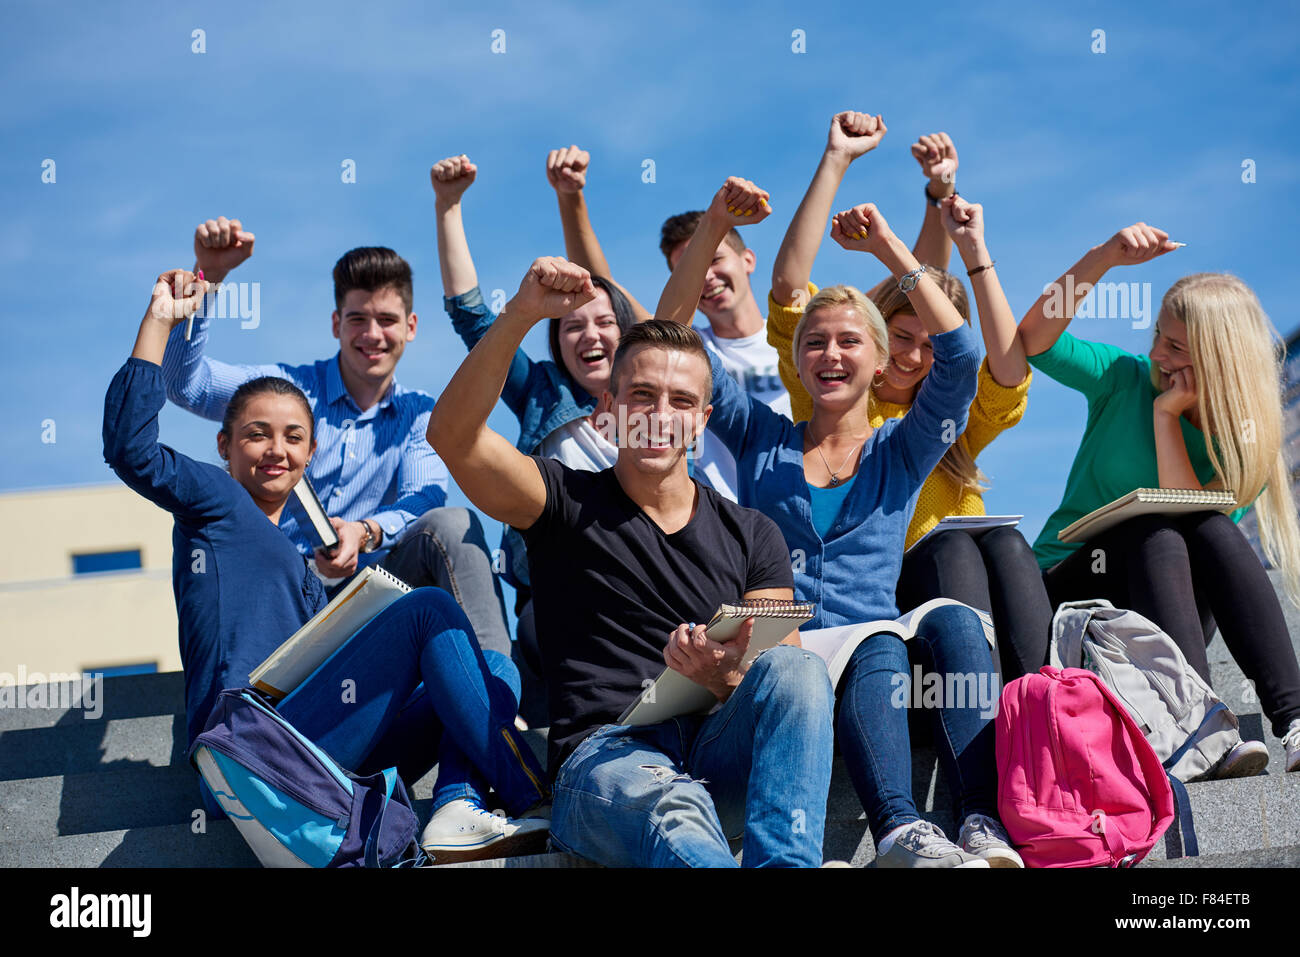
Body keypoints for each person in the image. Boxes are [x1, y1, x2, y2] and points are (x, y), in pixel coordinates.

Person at [105, 270, 550, 861]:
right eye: (257, 435)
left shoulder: (298, 566)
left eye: (293, 438)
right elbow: (130, 449)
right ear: (224, 446)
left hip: (326, 747)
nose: (276, 450)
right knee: (431, 611)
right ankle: (535, 795)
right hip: (253, 750)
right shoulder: (216, 503)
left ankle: (456, 804)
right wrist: (160, 322)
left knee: (486, 666)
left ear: (311, 453)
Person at [657, 175, 1020, 867]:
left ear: (881, 362)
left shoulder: (902, 447)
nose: (830, 353)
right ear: (795, 359)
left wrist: (889, 246)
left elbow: (963, 358)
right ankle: (899, 824)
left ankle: (964, 819)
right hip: (786, 655)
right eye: (815, 342)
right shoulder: (761, 437)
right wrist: (710, 225)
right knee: (876, 640)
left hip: (873, 667)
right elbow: (673, 337)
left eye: (850, 341)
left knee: (932, 624)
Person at [428, 254, 835, 867]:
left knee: (799, 672)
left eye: (679, 401)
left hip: (716, 757)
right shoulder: (560, 501)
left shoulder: (754, 533)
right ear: (610, 407)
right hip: (608, 764)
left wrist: (718, 675)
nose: (658, 416)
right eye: (641, 395)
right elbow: (453, 437)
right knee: (670, 807)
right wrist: (519, 315)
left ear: (702, 419)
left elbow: (779, 675)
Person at [765, 112, 1050, 679]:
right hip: (884, 597)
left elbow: (1006, 371)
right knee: (952, 551)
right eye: (899, 338)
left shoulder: (948, 416)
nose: (913, 357)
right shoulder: (839, 397)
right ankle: (984, 719)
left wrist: (976, 252)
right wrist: (836, 160)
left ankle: (1042, 701)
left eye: (928, 347)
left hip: (971, 573)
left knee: (1008, 545)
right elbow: (790, 289)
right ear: (872, 335)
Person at [1019, 222, 1300, 773]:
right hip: (1069, 589)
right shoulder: (1122, 377)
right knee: (1158, 529)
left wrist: (1167, 416)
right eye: (1157, 335)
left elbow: (1188, 513)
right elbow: (1034, 341)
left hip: (1161, 593)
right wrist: (1102, 258)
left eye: (1175, 347)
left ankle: (1291, 719)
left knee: (1205, 527)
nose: (1155, 353)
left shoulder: (1244, 439)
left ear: (1220, 360)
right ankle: (1198, 723)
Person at [160, 222, 511, 657]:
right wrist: (207, 279)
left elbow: (425, 497)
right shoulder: (282, 390)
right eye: (357, 319)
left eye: (387, 320)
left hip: (375, 586)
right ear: (335, 323)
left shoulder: (421, 414)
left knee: (453, 523)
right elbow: (183, 385)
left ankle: (497, 693)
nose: (372, 334)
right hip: (279, 582)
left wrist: (366, 532)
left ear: (411, 326)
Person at [431, 150, 644, 723]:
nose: (590, 335)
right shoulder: (544, 394)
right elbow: (475, 320)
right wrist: (448, 207)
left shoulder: (660, 410)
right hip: (557, 592)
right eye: (573, 326)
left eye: (605, 323)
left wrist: (572, 197)